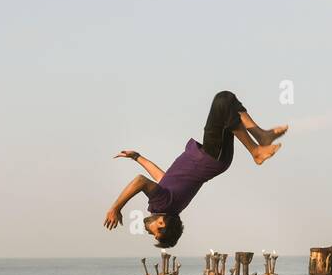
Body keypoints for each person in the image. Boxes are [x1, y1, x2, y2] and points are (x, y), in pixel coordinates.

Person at [102, 91, 286, 248]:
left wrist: (137, 157)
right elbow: (140, 181)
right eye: (156, 233)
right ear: (161, 223)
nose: (151, 233)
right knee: (222, 102)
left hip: (214, 159)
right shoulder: (163, 205)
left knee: (227, 103)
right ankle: (256, 151)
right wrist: (115, 208)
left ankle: (261, 137)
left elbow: (163, 177)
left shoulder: (168, 204)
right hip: (209, 158)